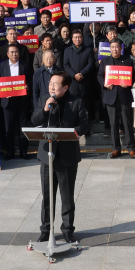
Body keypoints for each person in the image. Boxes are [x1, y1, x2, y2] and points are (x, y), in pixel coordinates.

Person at [30, 72, 89, 244]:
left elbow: (85, 124)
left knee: (67, 196)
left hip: (67, 156)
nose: (52, 87)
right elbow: (34, 120)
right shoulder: (44, 99)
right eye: (50, 83)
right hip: (47, 155)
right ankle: (46, 230)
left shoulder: (76, 101)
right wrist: (45, 109)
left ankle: (67, 230)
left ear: (65, 87)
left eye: (56, 84)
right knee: (47, 196)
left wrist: (74, 132)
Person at [98, 40, 135, 158]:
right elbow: (99, 75)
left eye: (117, 47)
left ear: (121, 48)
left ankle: (131, 148)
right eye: (113, 47)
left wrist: (128, 83)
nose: (115, 49)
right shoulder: (105, 61)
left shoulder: (128, 60)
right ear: (110, 49)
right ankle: (116, 148)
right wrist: (104, 84)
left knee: (127, 122)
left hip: (124, 95)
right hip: (110, 96)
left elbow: (133, 76)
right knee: (113, 123)